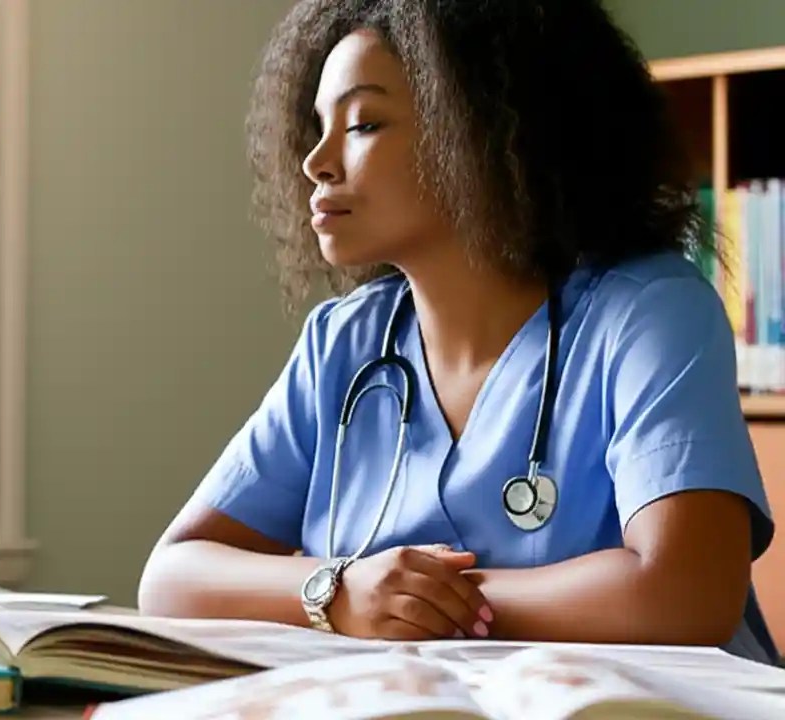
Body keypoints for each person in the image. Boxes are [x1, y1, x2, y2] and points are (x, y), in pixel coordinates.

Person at [136, 0, 778, 664]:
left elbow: (685, 593)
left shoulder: (650, 311)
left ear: (490, 132)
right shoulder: (343, 344)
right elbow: (173, 575)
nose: (316, 162)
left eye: (363, 124)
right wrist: (339, 591)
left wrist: (424, 601)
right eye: (317, 126)